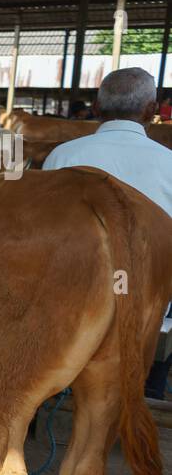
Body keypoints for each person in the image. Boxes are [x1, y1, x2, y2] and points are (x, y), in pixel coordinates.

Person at [42, 67, 172, 398]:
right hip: (148, 298)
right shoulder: (169, 163)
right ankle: (152, 387)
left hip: (70, 294)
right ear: (151, 111)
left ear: (98, 108)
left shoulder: (64, 156)